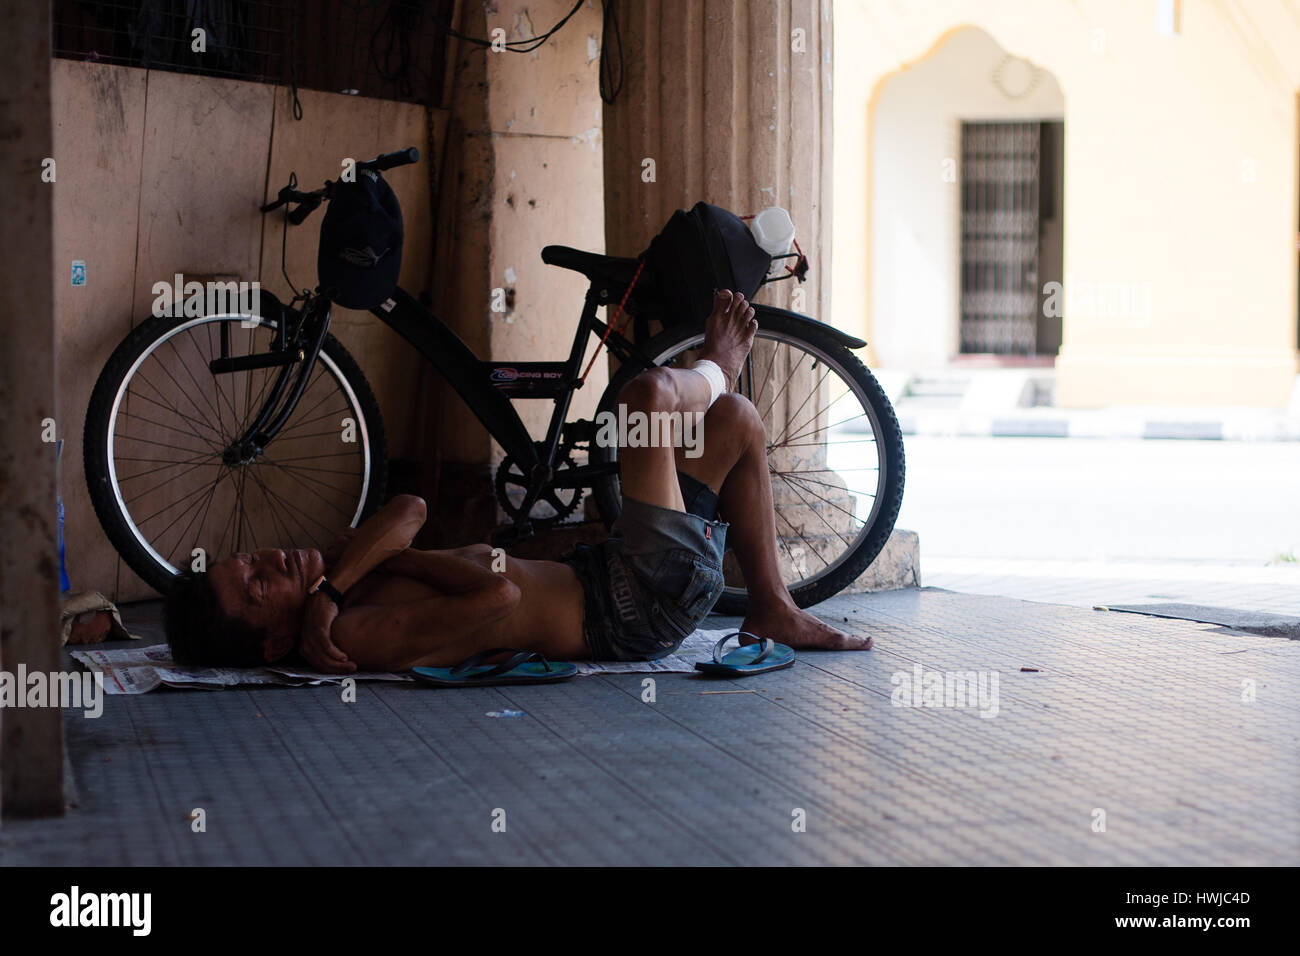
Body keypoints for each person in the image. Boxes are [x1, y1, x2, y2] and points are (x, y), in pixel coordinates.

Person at [164, 290, 872, 673]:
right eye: (260, 587)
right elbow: (498, 596)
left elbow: (409, 507)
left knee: (739, 422)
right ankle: (717, 359)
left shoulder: (339, 590)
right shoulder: (356, 635)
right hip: (633, 608)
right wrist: (358, 582)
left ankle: (773, 607)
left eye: (252, 558)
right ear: (274, 646)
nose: (272, 563)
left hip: (619, 570)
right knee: (646, 398)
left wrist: (336, 580)